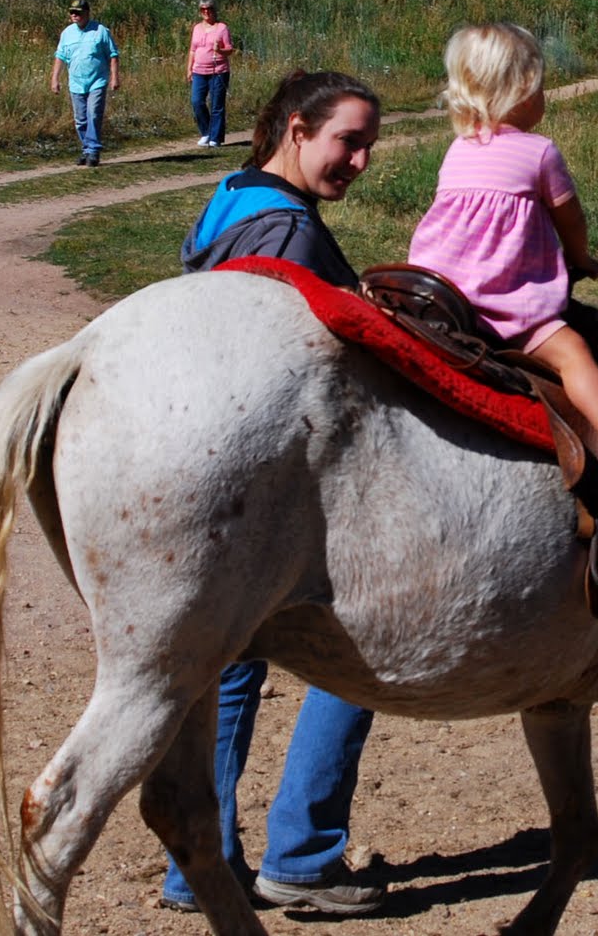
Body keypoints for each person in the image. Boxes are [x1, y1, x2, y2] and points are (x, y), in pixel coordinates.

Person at [162, 70, 384, 916]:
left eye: (368, 146)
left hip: (212, 473)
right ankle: (304, 850)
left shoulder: (231, 194)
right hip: (274, 488)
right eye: (348, 141)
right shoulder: (287, 234)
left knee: (229, 666)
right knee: (361, 651)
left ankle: (199, 865)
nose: (360, 161)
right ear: (297, 128)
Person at [408, 23, 598, 480]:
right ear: (521, 90)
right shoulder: (540, 153)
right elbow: (570, 219)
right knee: (573, 352)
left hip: (443, 296)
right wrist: (582, 259)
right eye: (541, 87)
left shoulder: (458, 149)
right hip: (502, 304)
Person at [50, 0, 120, 167]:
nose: (75, 16)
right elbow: (60, 57)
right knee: (80, 118)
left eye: (78, 13)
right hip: (76, 83)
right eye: (72, 13)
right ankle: (86, 148)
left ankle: (93, 150)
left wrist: (115, 77)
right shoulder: (67, 33)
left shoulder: (101, 31)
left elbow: (113, 55)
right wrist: (55, 79)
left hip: (97, 81)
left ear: (87, 13)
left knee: (93, 114)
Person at [187, 0, 235, 148]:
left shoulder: (222, 28)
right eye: (203, 9)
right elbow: (192, 50)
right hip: (199, 71)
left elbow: (230, 49)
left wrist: (220, 50)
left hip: (218, 71)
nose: (206, 12)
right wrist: (189, 68)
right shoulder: (196, 28)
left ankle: (216, 137)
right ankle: (206, 132)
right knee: (196, 101)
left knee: (216, 105)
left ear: (214, 10)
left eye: (209, 9)